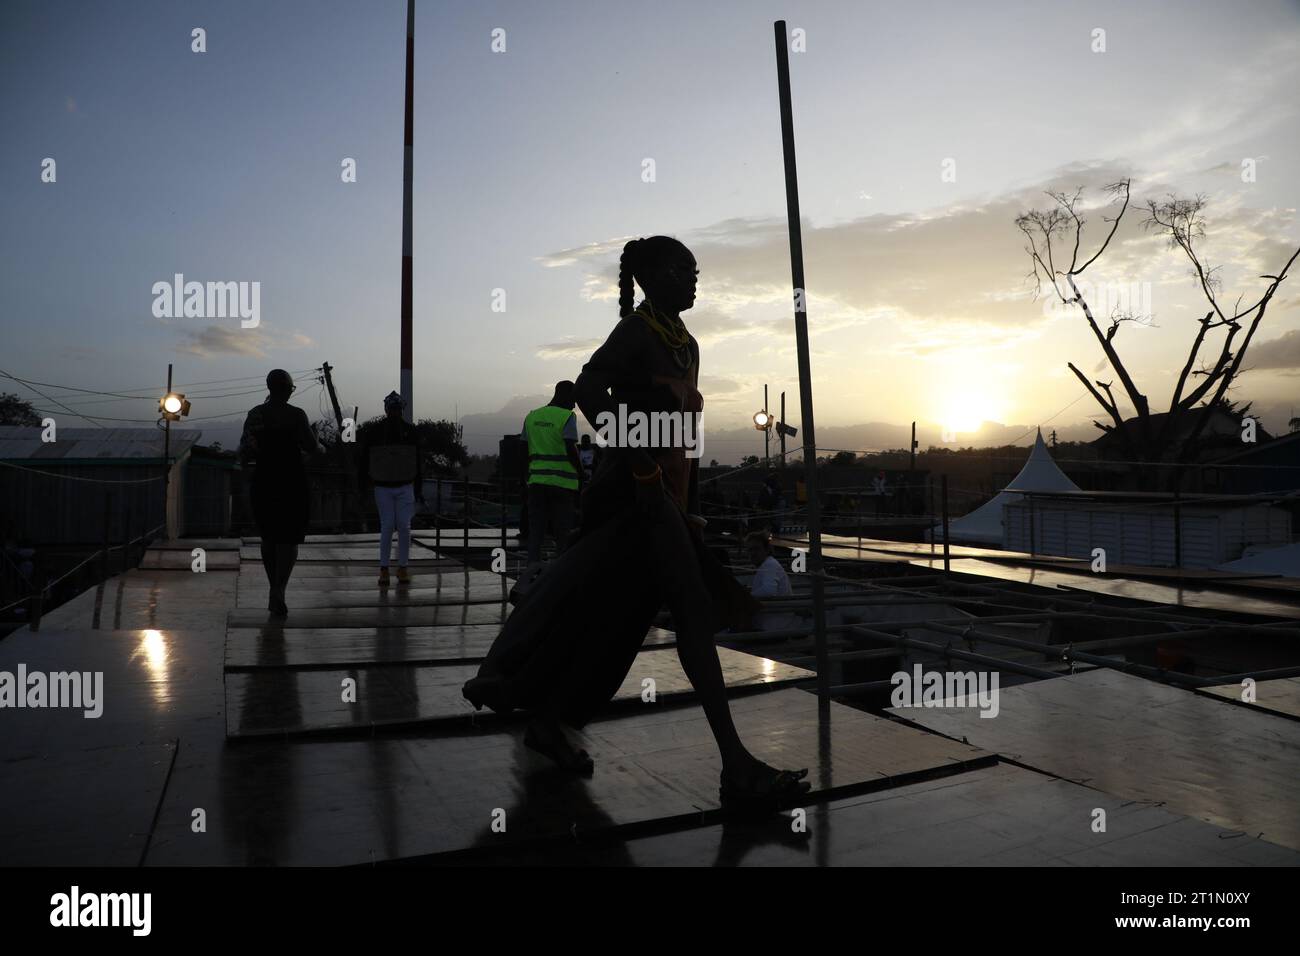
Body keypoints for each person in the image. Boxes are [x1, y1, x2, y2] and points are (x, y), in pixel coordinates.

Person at [463, 235, 809, 814]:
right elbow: (588, 391)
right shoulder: (637, 333)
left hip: (667, 506)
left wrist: (690, 503)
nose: (694, 277)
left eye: (696, 269)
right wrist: (641, 459)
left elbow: (689, 437)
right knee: (694, 615)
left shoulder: (689, 345)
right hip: (631, 500)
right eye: (682, 268)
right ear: (650, 276)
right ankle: (736, 767)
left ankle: (549, 722)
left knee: (611, 618)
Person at [239, 369, 322, 616]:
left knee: (269, 537)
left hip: (263, 481)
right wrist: (318, 444)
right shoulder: (296, 415)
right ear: (287, 388)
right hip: (291, 481)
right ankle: (279, 589)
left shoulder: (256, 415)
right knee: (289, 537)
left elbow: (245, 450)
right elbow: (311, 447)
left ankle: (273, 587)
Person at [357, 392, 423, 587]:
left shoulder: (410, 432)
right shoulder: (375, 432)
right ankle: (384, 569)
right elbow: (364, 460)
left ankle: (403, 567)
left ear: (400, 409)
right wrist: (363, 486)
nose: (394, 412)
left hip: (405, 485)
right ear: (387, 409)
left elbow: (417, 461)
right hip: (383, 486)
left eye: (397, 409)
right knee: (387, 526)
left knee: (403, 526)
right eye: (392, 408)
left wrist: (417, 488)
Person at [520, 382, 581, 566]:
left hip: (536, 483)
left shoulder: (532, 416)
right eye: (573, 399)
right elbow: (570, 448)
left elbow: (523, 449)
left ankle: (531, 573)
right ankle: (560, 576)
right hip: (562, 485)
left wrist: (525, 477)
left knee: (536, 531)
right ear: (565, 395)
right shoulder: (567, 416)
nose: (574, 405)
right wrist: (581, 472)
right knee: (563, 533)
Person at [744, 530, 799, 633]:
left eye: (756, 549)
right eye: (750, 550)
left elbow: (769, 591)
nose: (752, 553)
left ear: (766, 550)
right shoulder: (767, 564)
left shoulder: (769, 565)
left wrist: (746, 596)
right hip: (773, 623)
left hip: (772, 627)